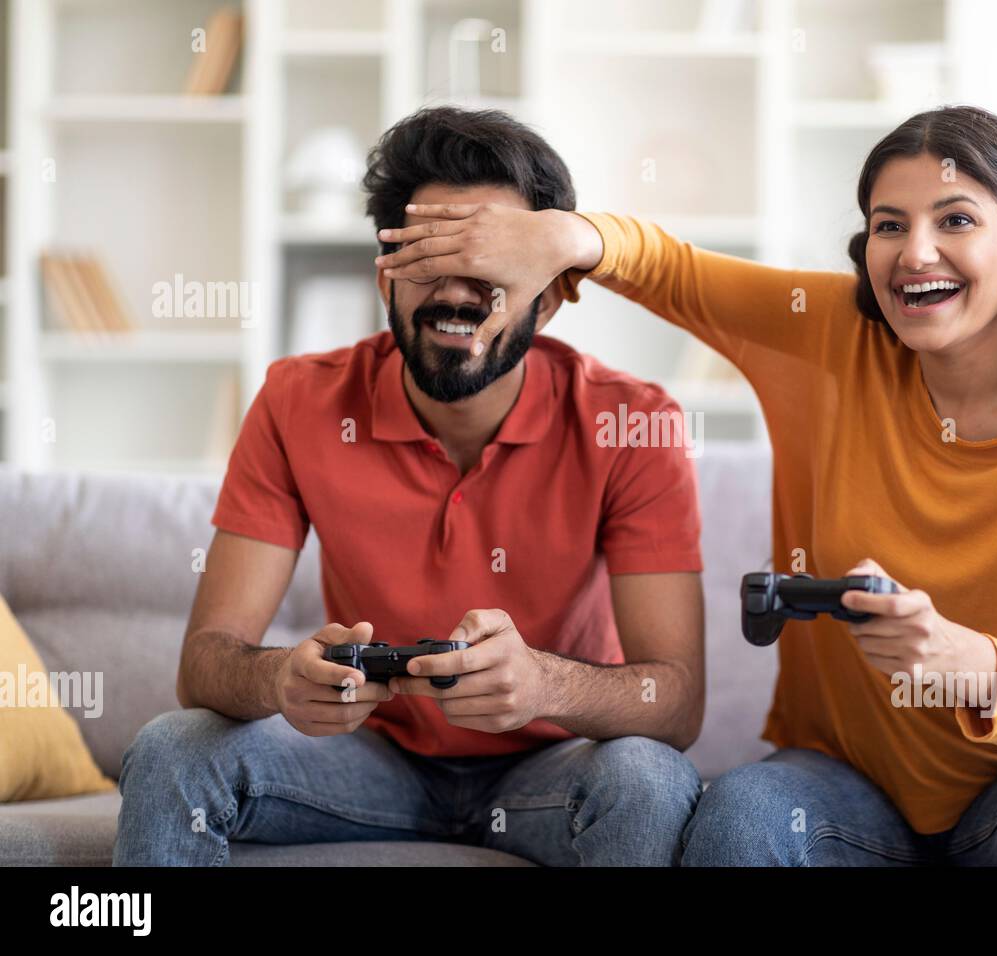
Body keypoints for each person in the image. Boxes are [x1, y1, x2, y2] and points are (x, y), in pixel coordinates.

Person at [372, 105, 997, 866]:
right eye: (888, 226)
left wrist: (960, 659)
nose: (916, 252)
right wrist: (560, 236)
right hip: (838, 783)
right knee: (739, 820)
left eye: (957, 220)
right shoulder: (832, 334)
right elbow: (675, 272)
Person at [113, 107, 706, 867]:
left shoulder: (633, 422)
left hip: (552, 769)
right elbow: (205, 663)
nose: (453, 297)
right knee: (172, 750)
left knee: (648, 780)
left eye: (487, 268)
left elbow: (677, 702)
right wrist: (280, 678)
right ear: (384, 279)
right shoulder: (300, 401)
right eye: (426, 259)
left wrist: (543, 686)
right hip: (368, 761)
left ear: (551, 298)